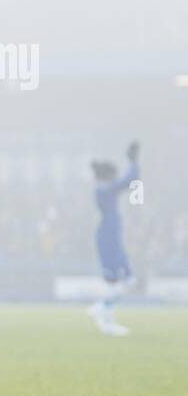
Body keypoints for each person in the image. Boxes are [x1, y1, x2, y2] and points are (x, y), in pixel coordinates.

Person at [88, 141, 140, 335]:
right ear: (108, 176)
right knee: (121, 281)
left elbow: (131, 181)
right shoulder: (103, 189)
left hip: (111, 238)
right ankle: (104, 313)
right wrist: (133, 162)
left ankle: (105, 316)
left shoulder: (105, 189)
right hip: (108, 239)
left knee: (122, 281)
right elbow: (128, 181)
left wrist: (134, 164)